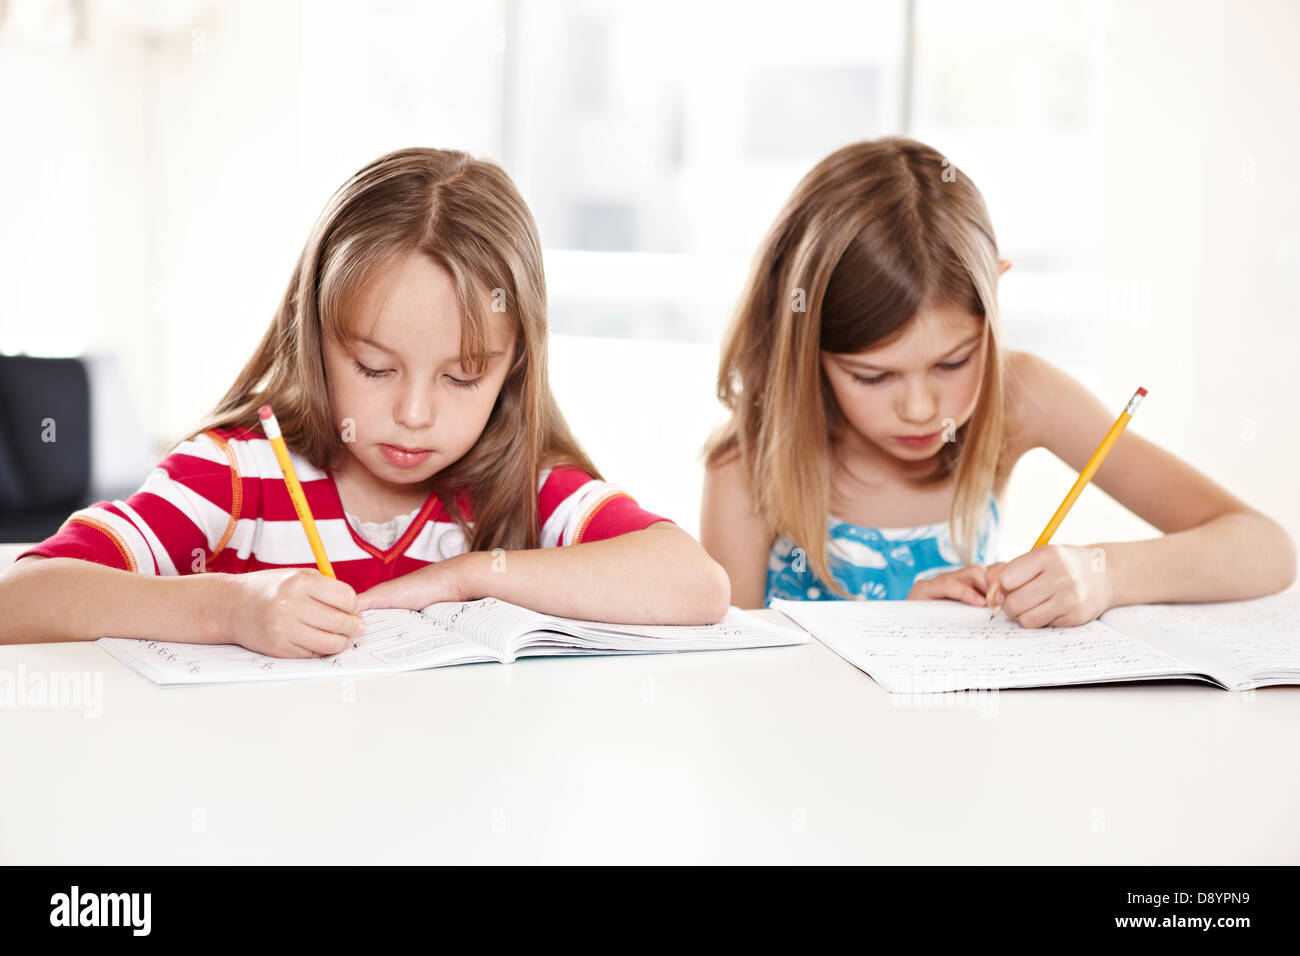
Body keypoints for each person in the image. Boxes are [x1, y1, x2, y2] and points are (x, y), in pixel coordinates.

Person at [3, 148, 729, 656]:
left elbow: (696, 585)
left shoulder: (516, 484)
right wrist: (228, 609)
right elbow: (22, 598)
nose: (415, 414)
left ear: (515, 370)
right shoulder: (234, 477)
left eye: (463, 376)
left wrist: (468, 576)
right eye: (376, 368)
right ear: (315, 337)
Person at [699, 136, 1295, 625]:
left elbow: (1264, 548)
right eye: (873, 376)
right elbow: (737, 674)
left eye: (953, 362)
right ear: (805, 345)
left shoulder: (1018, 396)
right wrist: (891, 627)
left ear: (994, 298)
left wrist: (1102, 573)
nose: (920, 407)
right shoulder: (750, 461)